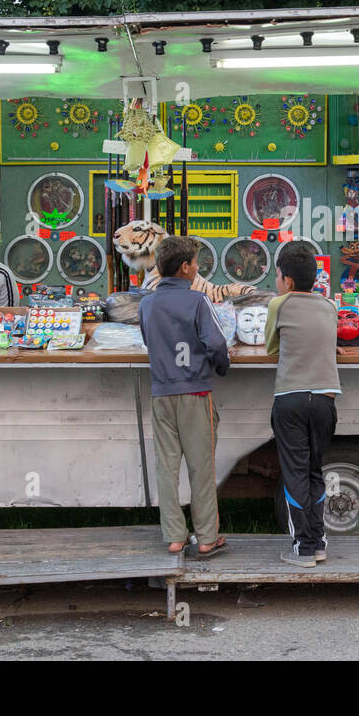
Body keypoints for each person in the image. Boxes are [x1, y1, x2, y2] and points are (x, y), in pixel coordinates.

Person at [138, 235, 231, 557]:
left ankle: (175, 537)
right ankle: (207, 537)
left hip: (161, 392)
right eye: (194, 263)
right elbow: (217, 344)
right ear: (184, 268)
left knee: (166, 466)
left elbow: (148, 341)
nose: (197, 268)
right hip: (195, 392)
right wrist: (221, 368)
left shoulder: (147, 303)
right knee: (201, 467)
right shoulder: (197, 301)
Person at [264, 244, 340, 567]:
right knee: (314, 471)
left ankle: (303, 549)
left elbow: (270, 347)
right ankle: (319, 543)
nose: (277, 282)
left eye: (278, 276)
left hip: (291, 399)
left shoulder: (278, 304)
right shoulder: (330, 306)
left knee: (295, 472)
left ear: (288, 282)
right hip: (325, 399)